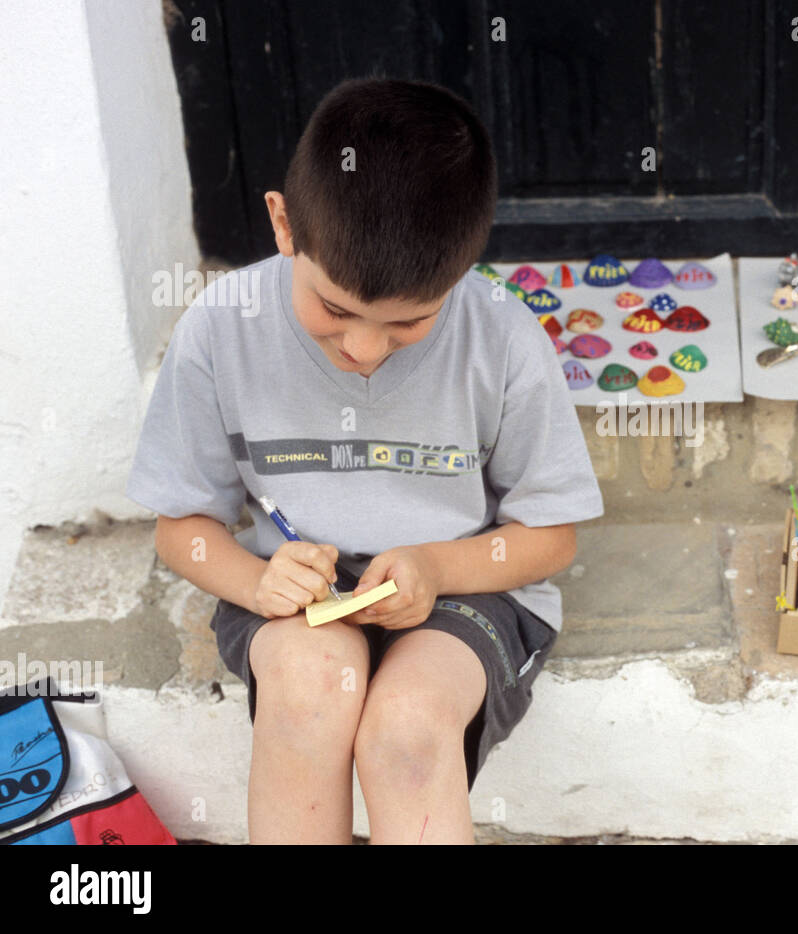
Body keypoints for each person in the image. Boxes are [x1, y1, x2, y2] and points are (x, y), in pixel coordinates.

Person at [125, 77, 603, 845]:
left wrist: (438, 570)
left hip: (459, 591)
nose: (364, 348)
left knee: (407, 730)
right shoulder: (221, 329)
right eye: (337, 310)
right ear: (283, 224)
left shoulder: (502, 337)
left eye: (410, 321)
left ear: (463, 270)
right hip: (293, 597)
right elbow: (182, 529)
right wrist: (259, 581)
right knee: (309, 694)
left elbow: (551, 537)